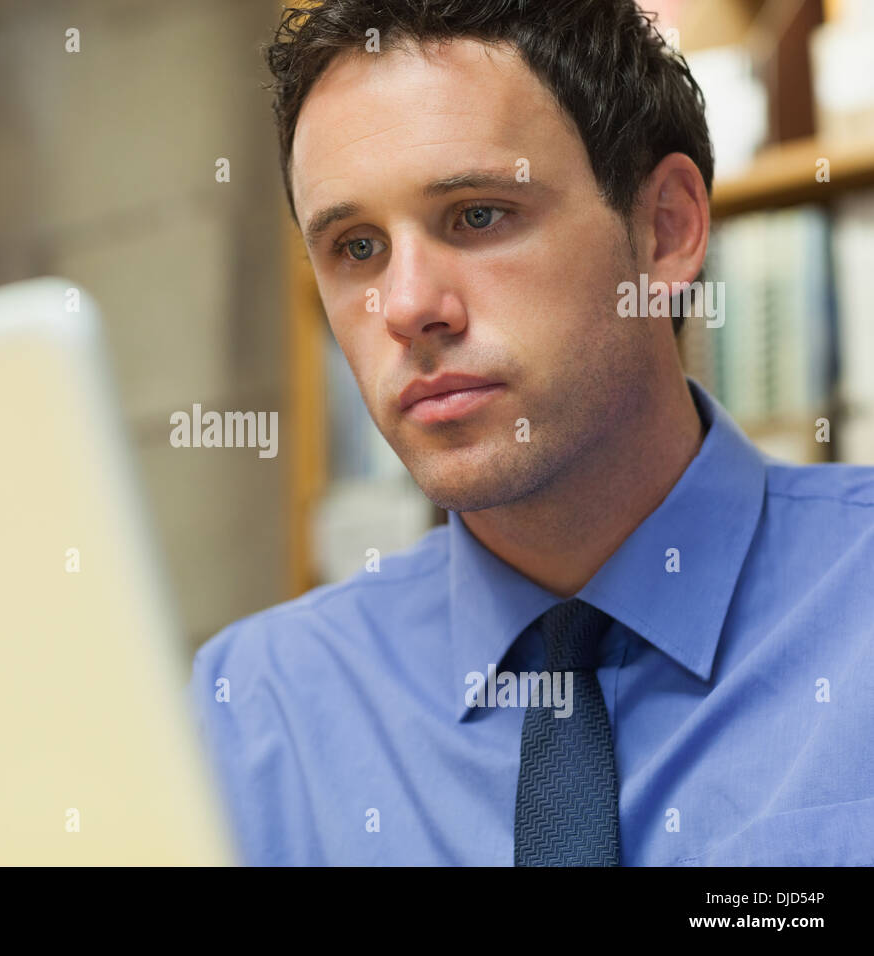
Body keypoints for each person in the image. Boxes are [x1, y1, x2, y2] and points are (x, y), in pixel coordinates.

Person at [189, 0, 874, 866]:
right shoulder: (252, 711)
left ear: (666, 230)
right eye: (358, 248)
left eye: (477, 216)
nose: (406, 309)